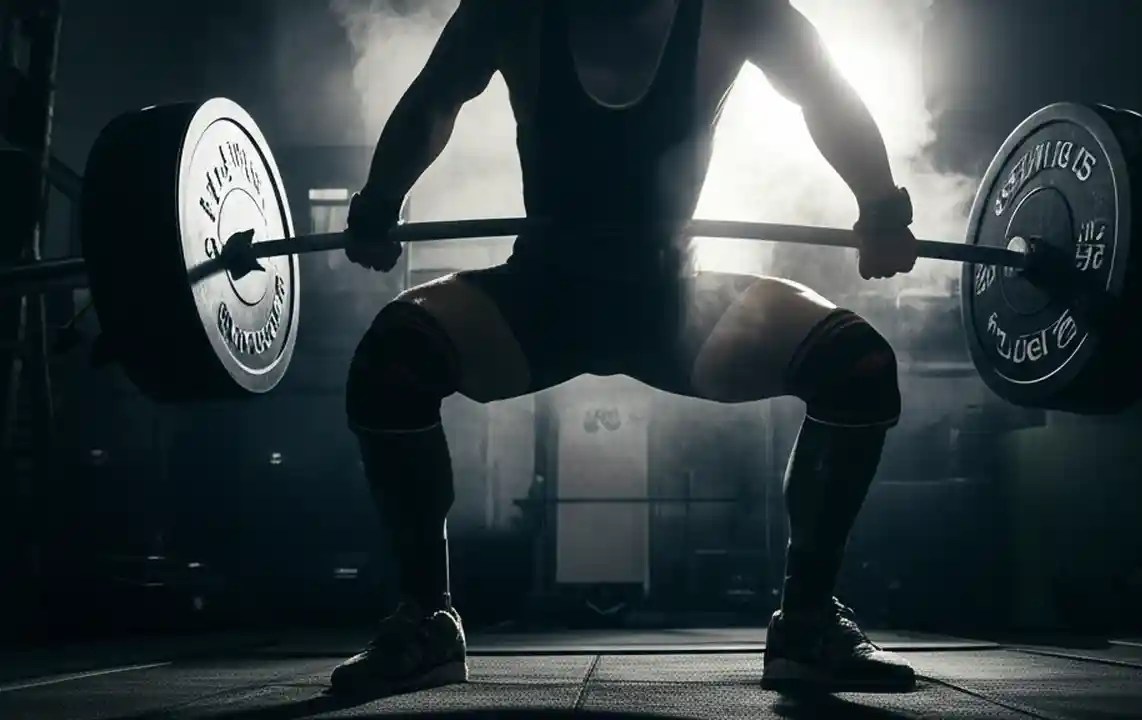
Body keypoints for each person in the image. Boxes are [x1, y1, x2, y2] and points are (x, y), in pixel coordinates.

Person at [334, 0, 920, 697]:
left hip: (676, 306)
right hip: (546, 296)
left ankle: (808, 621)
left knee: (857, 367)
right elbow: (433, 101)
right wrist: (380, 199)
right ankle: (427, 618)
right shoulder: (508, 11)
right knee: (391, 361)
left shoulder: (740, 11)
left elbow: (823, 92)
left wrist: (880, 203)